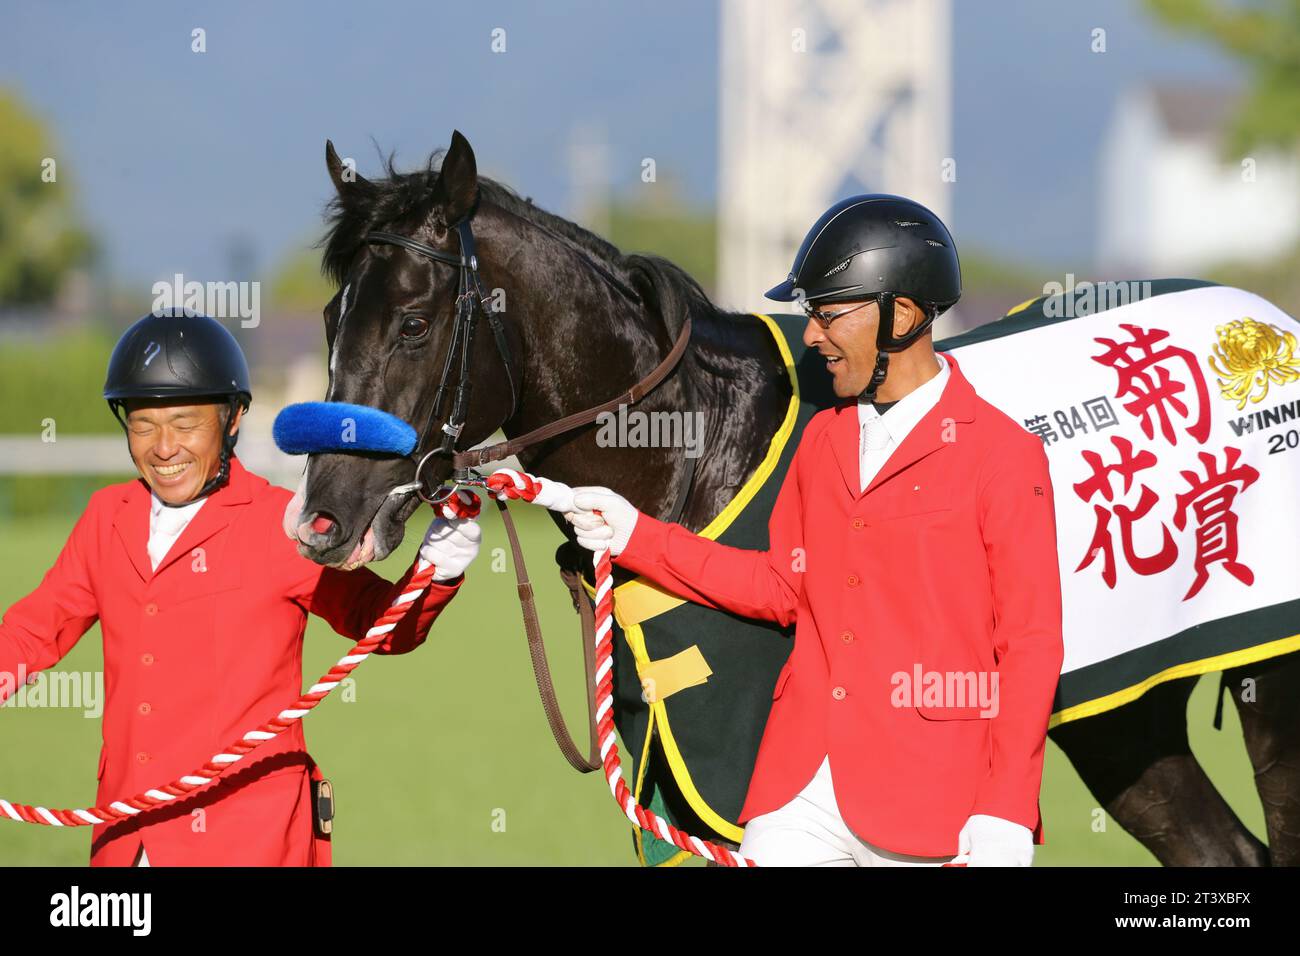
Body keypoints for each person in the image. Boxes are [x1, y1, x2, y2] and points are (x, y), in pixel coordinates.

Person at [564, 196, 1064, 866]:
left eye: (829, 316)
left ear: (904, 316)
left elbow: (1030, 645)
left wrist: (1006, 809)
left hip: (934, 801)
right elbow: (780, 583)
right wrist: (634, 535)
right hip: (798, 792)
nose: (812, 336)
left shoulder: (1003, 456)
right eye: (812, 317)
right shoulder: (823, 439)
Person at [0, 310, 481, 866]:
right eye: (143, 424)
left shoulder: (283, 522)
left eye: (185, 424)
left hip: (249, 841)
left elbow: (384, 627)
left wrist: (437, 569)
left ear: (232, 421)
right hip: (126, 841)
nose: (163, 447)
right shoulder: (106, 516)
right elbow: (33, 632)